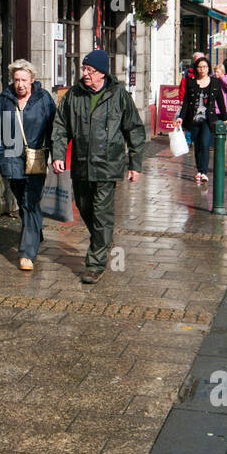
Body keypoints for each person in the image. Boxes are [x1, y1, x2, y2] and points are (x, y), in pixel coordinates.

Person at [51, 49, 145, 284]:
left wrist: (135, 163)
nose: (85, 74)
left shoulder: (119, 95)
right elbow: (61, 125)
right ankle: (103, 240)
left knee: (102, 213)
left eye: (89, 70)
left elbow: (134, 128)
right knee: (84, 207)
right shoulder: (74, 95)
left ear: (102, 73)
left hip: (108, 165)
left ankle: (94, 264)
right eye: (83, 69)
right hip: (81, 164)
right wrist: (59, 154)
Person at [0, 59, 56, 271]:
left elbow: (55, 127)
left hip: (35, 157)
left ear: (32, 80)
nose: (20, 84)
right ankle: (36, 231)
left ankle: (27, 253)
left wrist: (56, 154)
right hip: (10, 158)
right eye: (17, 80)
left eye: (24, 80)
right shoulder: (5, 99)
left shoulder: (43, 99)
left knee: (31, 201)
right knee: (22, 200)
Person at [174, 57, 227, 184]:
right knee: (198, 145)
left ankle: (204, 172)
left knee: (205, 143)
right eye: (200, 67)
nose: (202, 69)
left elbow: (220, 101)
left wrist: (226, 118)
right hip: (193, 119)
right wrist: (180, 117)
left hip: (208, 119)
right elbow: (186, 103)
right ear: (196, 68)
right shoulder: (191, 82)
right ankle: (199, 170)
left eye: (204, 67)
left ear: (208, 68)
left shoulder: (215, 82)